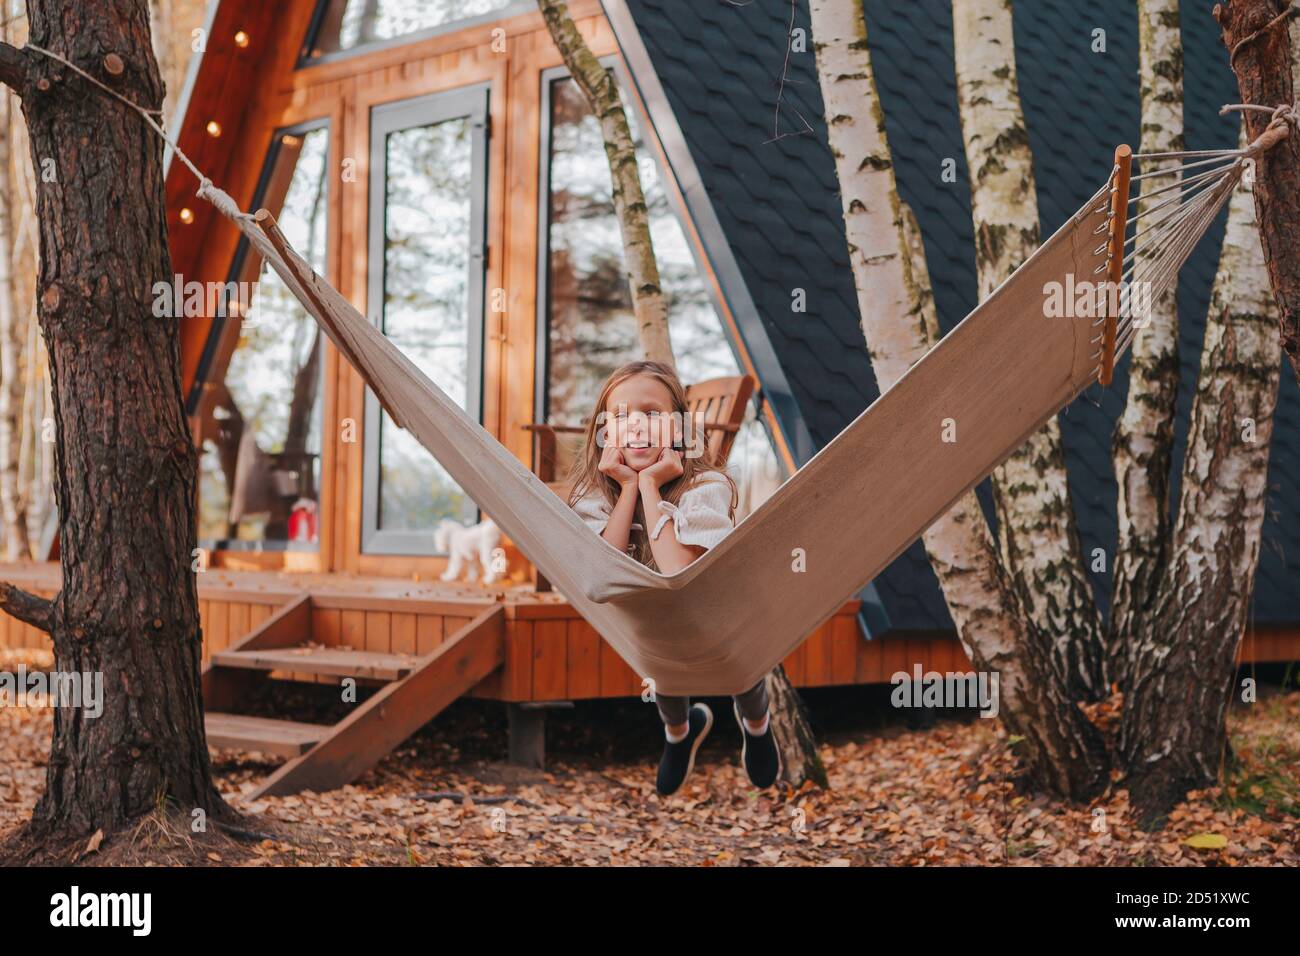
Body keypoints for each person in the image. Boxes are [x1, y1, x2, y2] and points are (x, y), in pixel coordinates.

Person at [564, 360, 780, 796]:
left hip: (718, 612)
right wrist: (627, 488)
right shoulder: (596, 494)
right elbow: (601, 575)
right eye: (622, 416)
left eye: (652, 413)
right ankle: (679, 734)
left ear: (679, 428)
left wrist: (649, 488)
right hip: (655, 627)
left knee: (743, 666)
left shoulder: (706, 485)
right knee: (658, 654)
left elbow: (679, 572)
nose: (637, 426)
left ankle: (756, 725)